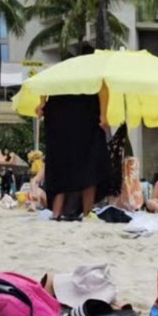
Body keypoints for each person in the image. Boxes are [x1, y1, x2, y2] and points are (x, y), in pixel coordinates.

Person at [41, 90, 111, 221]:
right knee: (89, 160)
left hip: (62, 104)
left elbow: (48, 80)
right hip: (83, 104)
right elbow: (102, 86)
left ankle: (58, 213)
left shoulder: (60, 70)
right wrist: (103, 113)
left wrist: (42, 102)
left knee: (63, 159)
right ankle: (86, 212)